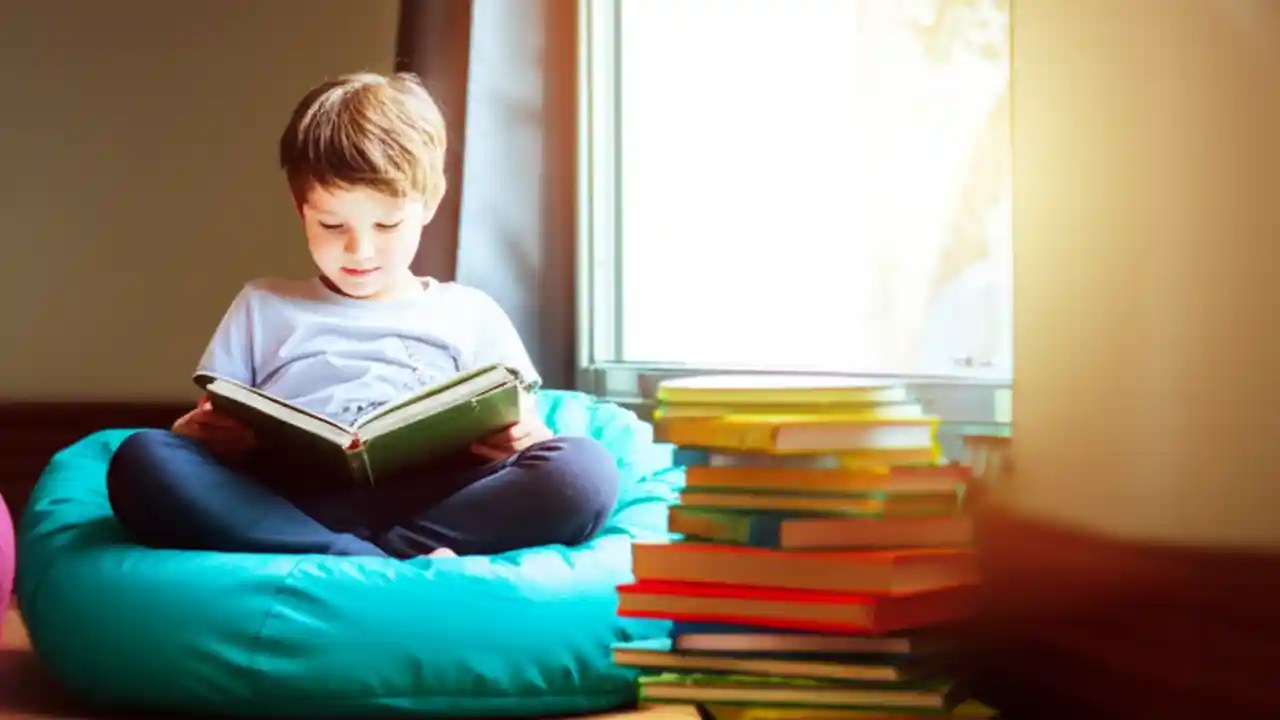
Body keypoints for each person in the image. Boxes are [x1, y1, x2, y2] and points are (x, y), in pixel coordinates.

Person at [106, 72, 619, 560]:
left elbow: (527, 430)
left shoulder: (469, 311)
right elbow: (208, 423)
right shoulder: (262, 305)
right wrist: (199, 434)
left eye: (387, 224)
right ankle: (365, 557)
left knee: (583, 471)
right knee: (142, 459)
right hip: (291, 501)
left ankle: (367, 554)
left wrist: (523, 438)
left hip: (440, 499)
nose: (360, 249)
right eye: (332, 225)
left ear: (430, 202)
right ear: (299, 206)